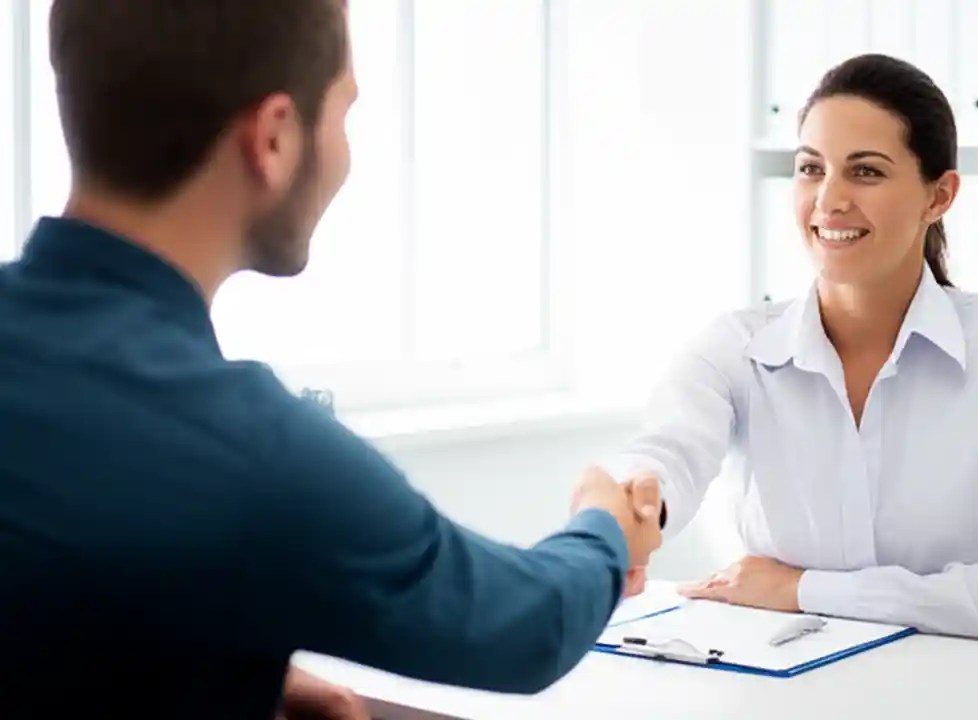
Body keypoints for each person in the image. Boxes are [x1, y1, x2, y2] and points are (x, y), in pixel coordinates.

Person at [0, 1, 660, 718]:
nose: (345, 155)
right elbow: (527, 626)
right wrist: (605, 527)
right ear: (274, 138)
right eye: (345, 112)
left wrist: (219, 658)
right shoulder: (251, 453)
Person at [609, 54, 978, 644]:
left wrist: (802, 589)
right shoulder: (737, 348)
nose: (829, 199)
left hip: (966, 683)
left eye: (866, 172)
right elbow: (666, 455)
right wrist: (628, 514)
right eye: (810, 168)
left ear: (938, 196)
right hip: (789, 682)